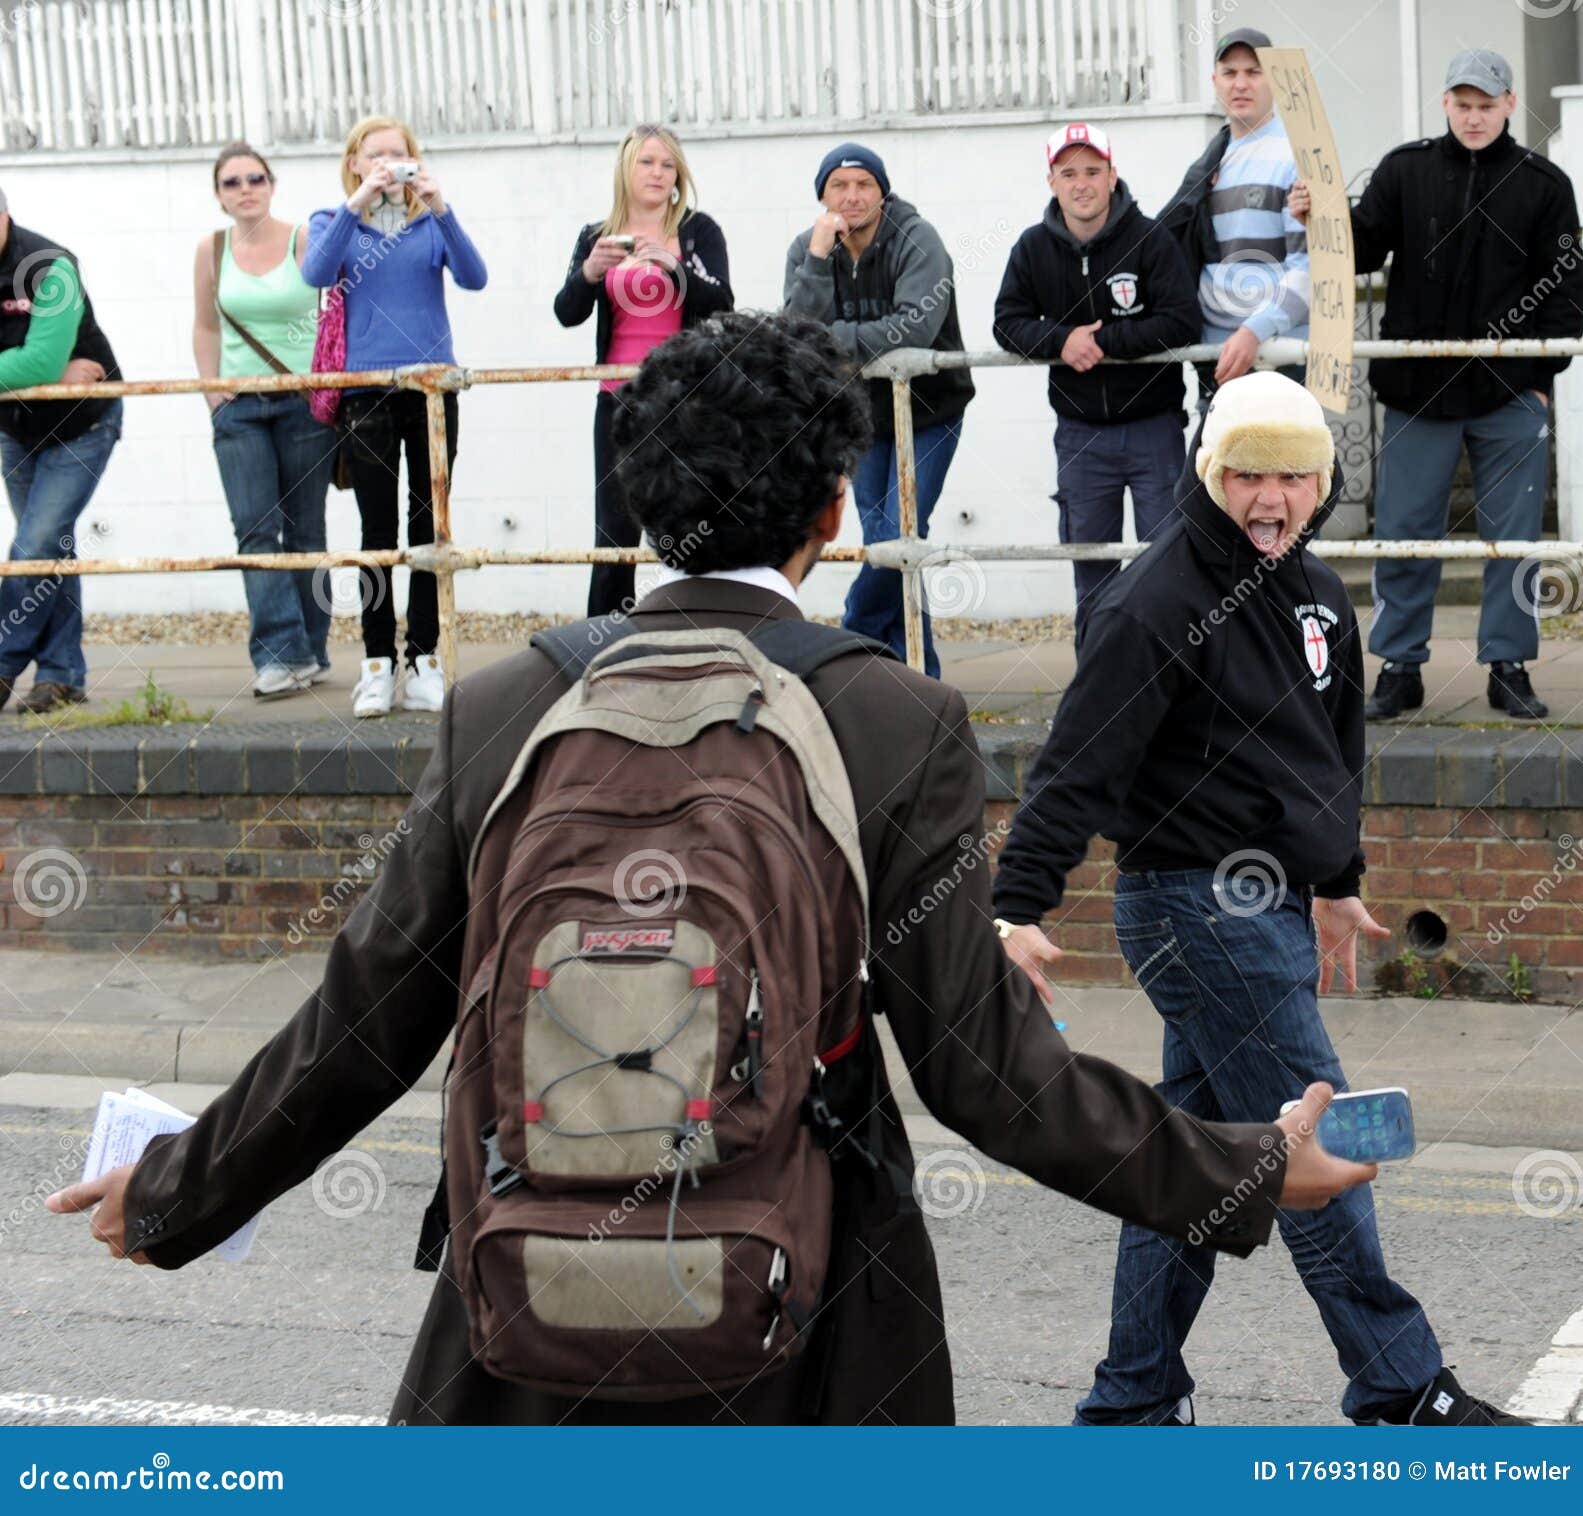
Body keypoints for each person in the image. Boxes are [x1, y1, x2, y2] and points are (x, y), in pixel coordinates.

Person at [50, 315, 1372, 1427]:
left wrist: (170, 1195)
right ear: (836, 509)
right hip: (813, 1317)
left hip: (527, 1296)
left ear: (644, 500)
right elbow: (994, 1077)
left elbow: (362, 1024)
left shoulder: (505, 706)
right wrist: (1252, 1168)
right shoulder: (894, 723)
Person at [991, 370, 1526, 1428]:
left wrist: (1337, 884)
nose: (1270, 493)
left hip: (1272, 908)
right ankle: (1402, 1389)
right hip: (1198, 910)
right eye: (1248, 473)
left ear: (1319, 483)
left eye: (1292, 473)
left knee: (1193, 1164)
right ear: (1210, 474)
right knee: (1315, 1143)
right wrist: (1018, 905)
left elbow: (1331, 750)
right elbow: (1076, 765)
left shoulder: (1317, 591)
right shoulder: (1153, 601)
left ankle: (1134, 1397)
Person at [1301, 50, 1583, 722]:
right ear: (1445, 104)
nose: (1474, 116)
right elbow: (1359, 250)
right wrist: (1320, 218)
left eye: (1486, 105)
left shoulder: (1545, 185)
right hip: (1416, 394)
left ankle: (1508, 667)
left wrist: (1541, 384)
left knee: (1513, 541)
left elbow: (1566, 296)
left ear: (1510, 105)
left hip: (1511, 396)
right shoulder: (1405, 170)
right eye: (1463, 104)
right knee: (1404, 534)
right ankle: (1400, 669)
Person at [302, 115, 488, 719]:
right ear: (355, 161)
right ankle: (377, 663)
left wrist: (442, 207)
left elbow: (474, 276)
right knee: (376, 533)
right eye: (374, 156)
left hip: (432, 389)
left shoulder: (428, 222)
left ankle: (425, 659)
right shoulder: (334, 221)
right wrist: (358, 201)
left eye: (398, 156)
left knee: (430, 531)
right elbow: (315, 273)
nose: (387, 166)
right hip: (368, 392)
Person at [994, 123, 1202, 648]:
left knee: (1167, 563)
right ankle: (1099, 689)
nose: (1081, 183)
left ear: (1113, 176)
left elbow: (1182, 321)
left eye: (1092, 170)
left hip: (1155, 430)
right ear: (1051, 181)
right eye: (1069, 173)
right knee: (1092, 572)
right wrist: (1061, 341)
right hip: (1080, 436)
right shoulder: (1032, 247)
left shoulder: (1151, 238)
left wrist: (1105, 342)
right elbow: (1006, 322)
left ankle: (1174, 682)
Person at [783, 143, 973, 677]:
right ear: (822, 195)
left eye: (864, 184)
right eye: (839, 186)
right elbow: (797, 333)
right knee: (890, 545)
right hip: (860, 418)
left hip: (930, 411)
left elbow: (912, 329)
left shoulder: (918, 240)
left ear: (882, 192)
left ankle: (854, 636)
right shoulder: (807, 249)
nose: (852, 196)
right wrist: (820, 262)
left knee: (898, 531)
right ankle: (915, 676)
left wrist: (832, 339)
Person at [554, 123, 733, 620]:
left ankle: (692, 641)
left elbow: (723, 304)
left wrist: (673, 268)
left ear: (679, 175)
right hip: (618, 400)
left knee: (686, 529)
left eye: (668, 164)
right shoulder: (596, 235)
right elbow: (566, 312)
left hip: (683, 400)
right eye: (647, 162)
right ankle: (603, 651)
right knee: (613, 535)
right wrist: (589, 273)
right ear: (626, 169)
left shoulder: (699, 231)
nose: (658, 173)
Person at [193, 142, 335, 701]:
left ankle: (312, 649)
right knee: (255, 530)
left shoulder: (304, 238)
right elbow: (204, 326)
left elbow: (333, 306)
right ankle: (280, 655)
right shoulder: (212, 249)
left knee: (306, 531)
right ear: (220, 196)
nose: (245, 189)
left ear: (272, 185)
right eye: (232, 182)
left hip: (303, 401)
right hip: (241, 409)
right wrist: (212, 390)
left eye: (255, 178)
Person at [0, 187, 122, 715]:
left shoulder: (51, 267)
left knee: (34, 547)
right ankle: (62, 674)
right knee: (52, 548)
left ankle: (3, 664)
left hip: (83, 422)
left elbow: (40, 368)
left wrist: (41, 367)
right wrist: (30, 366)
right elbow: (29, 365)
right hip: (15, 427)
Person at [1158, 27, 1308, 401]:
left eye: (1253, 72)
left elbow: (1309, 272)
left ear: (1275, 78)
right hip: (1217, 361)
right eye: (1230, 72)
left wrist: (1253, 332)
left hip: (1278, 358)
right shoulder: (1207, 164)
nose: (1240, 83)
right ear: (1215, 81)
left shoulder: (1299, 158)